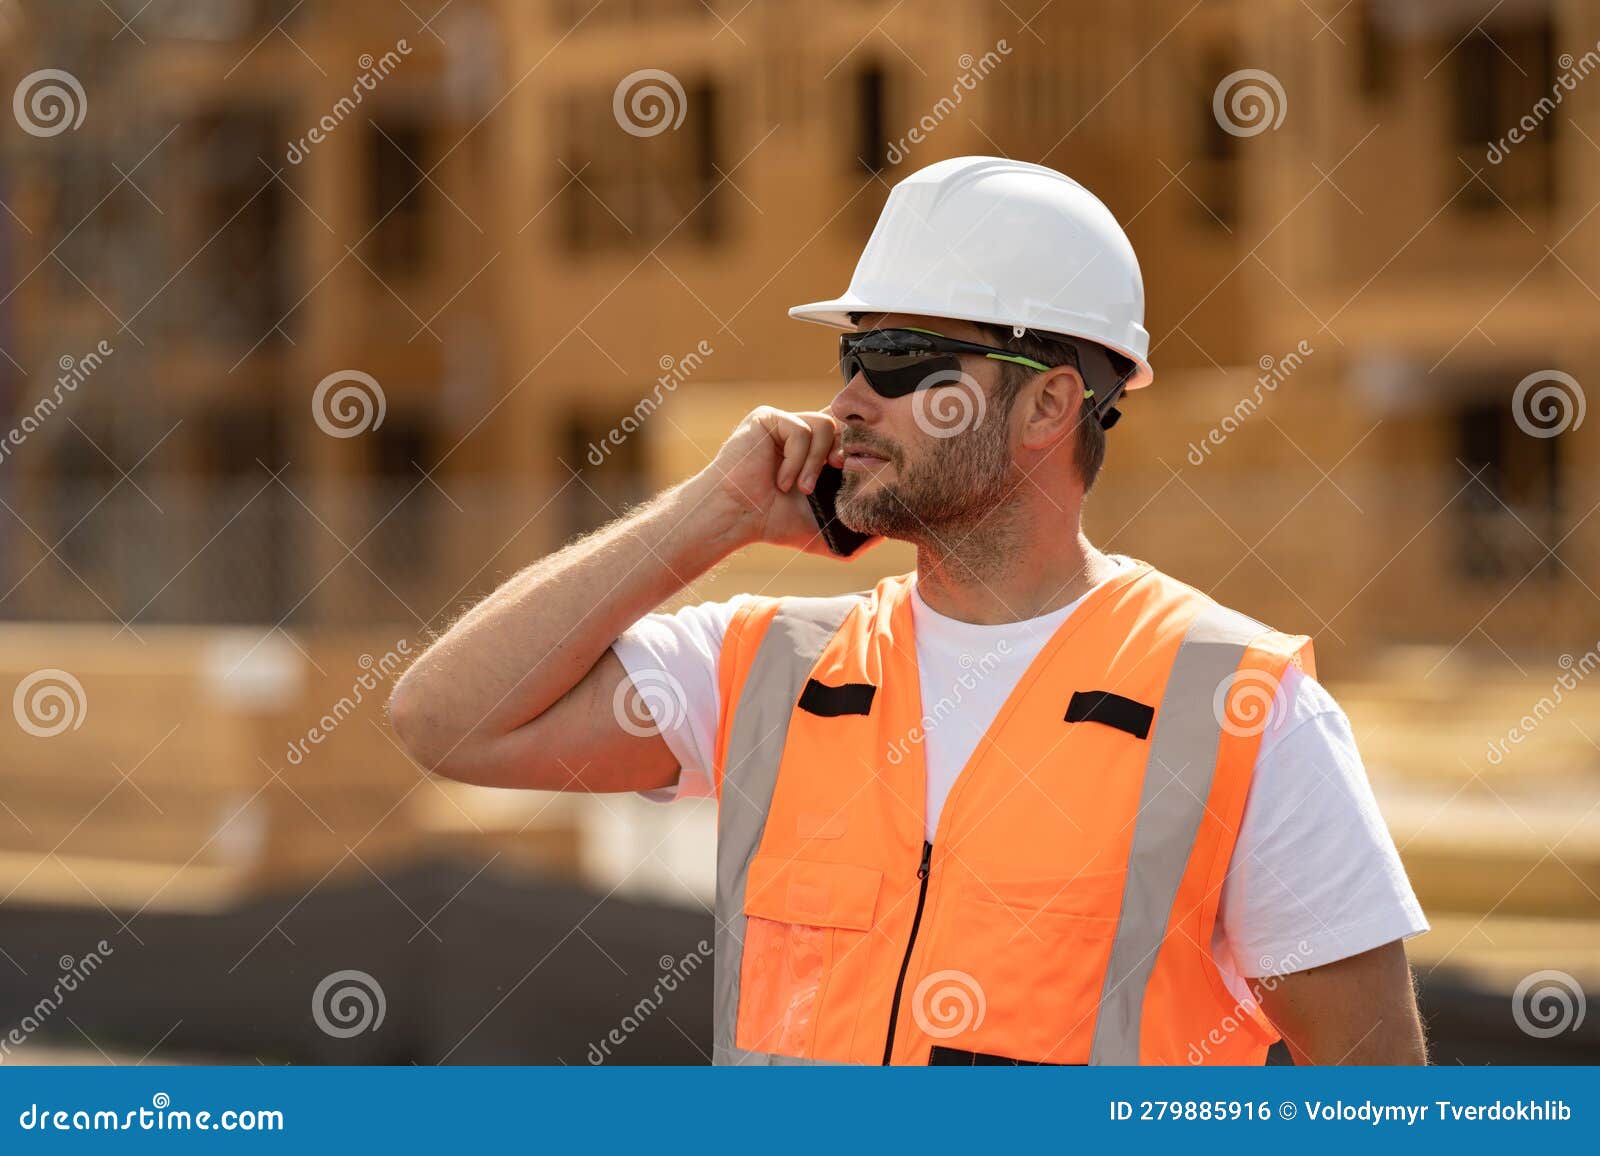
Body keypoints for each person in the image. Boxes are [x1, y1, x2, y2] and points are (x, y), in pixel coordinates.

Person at [389, 156, 1429, 1066]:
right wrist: (707, 518)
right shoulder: (769, 669)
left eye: (899, 361)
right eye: (850, 356)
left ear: (1048, 404)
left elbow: (1377, 1097)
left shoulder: (1238, 708)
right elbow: (445, 721)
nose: (848, 399)